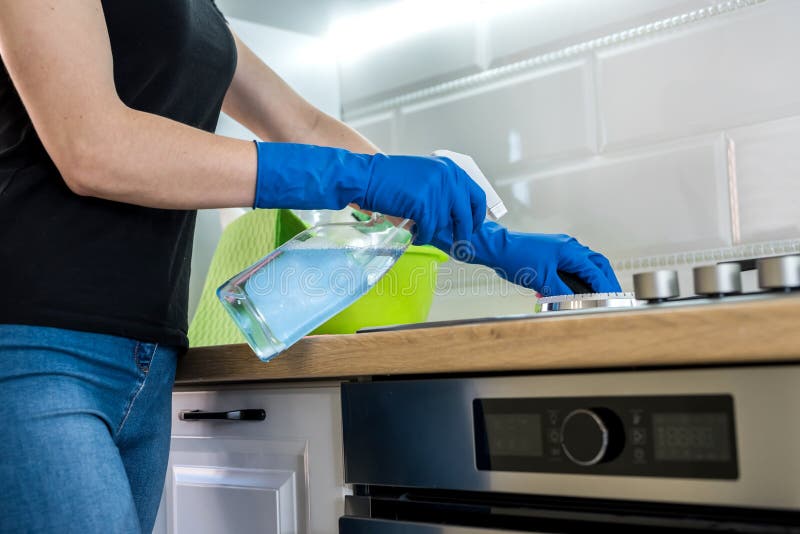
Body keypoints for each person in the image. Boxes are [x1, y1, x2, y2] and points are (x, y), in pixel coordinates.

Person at [0, 1, 620, 532]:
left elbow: (305, 124)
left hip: (146, 362)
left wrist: (488, 242)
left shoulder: (196, 11)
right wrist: (360, 177)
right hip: (31, 347)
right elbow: (93, 147)